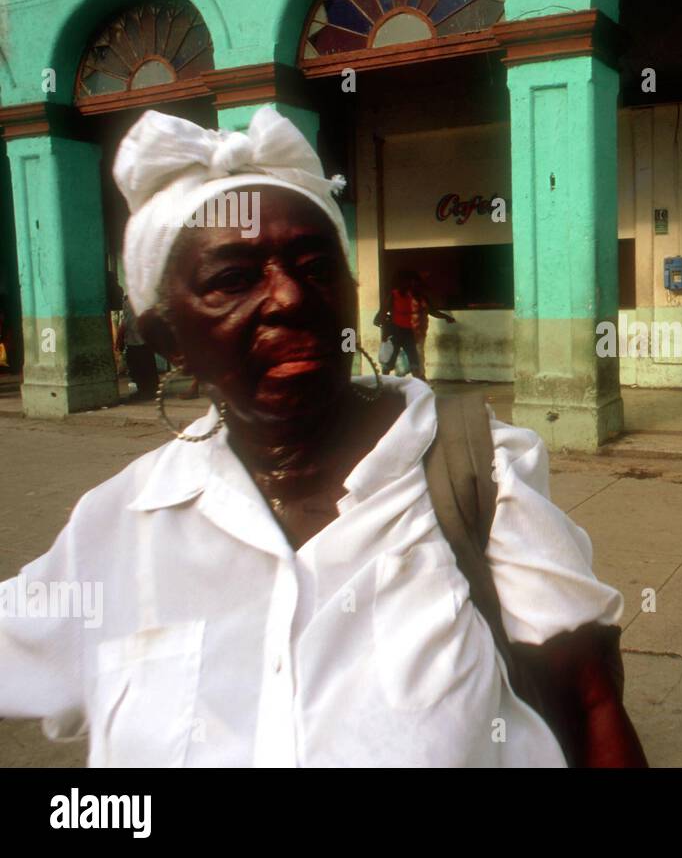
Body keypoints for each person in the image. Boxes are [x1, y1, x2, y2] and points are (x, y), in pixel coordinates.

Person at [0, 107, 646, 767]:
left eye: (314, 266)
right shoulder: (117, 525)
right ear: (168, 339)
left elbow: (593, 708)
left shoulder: (478, 473)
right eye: (232, 278)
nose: (289, 297)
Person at [382, 268, 426, 380]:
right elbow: (382, 313)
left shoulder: (410, 295)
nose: (410, 284)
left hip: (403, 331)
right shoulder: (396, 295)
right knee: (408, 360)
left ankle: (382, 384)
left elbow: (381, 314)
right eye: (409, 281)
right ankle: (382, 385)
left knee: (409, 360)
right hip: (400, 331)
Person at [114, 298, 158, 402]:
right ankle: (151, 390)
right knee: (148, 367)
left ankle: (144, 392)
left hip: (135, 343)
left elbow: (125, 324)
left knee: (137, 369)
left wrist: (119, 340)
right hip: (145, 342)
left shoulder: (129, 302)